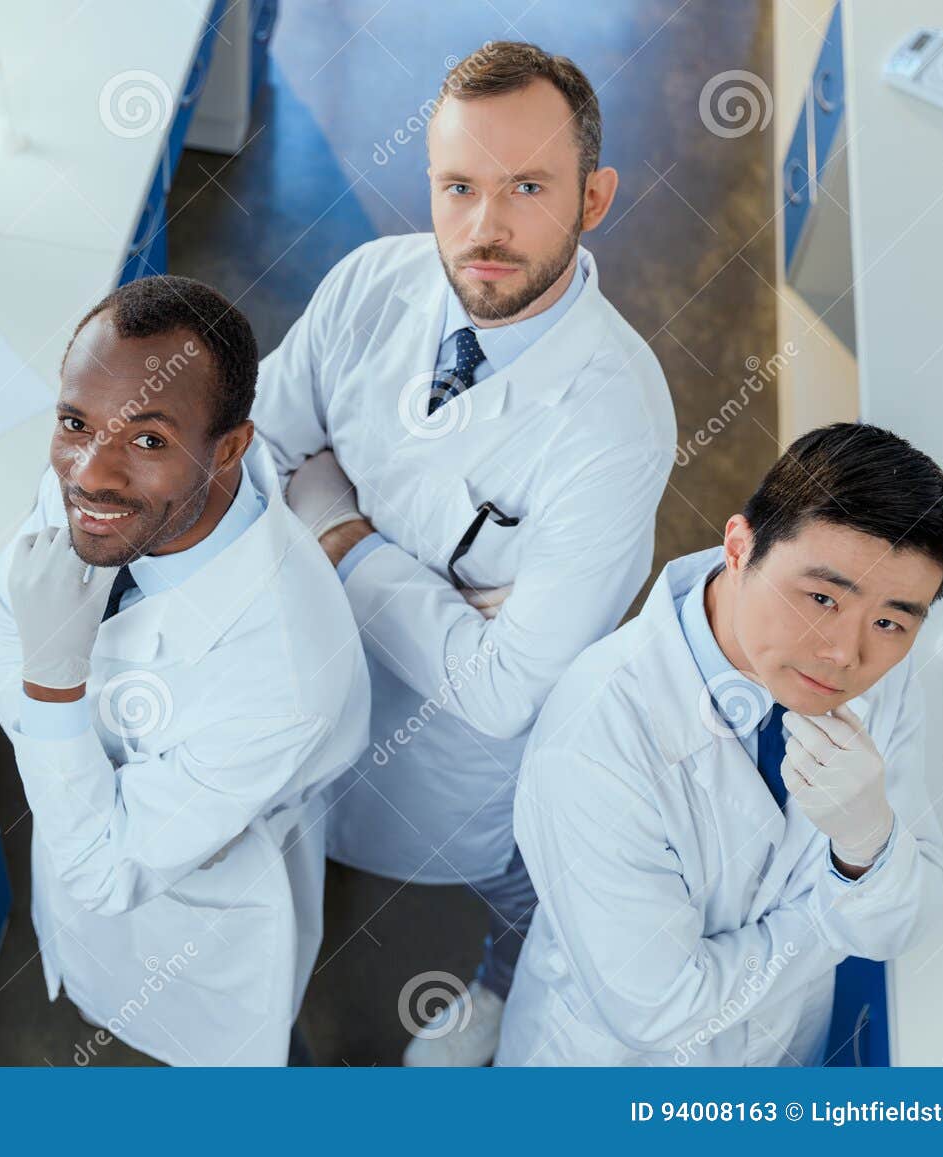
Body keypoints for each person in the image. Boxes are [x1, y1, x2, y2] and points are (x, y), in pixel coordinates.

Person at [250, 41, 675, 1064]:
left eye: (529, 186)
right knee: (281, 870)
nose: (485, 227)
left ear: (595, 196)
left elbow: (495, 693)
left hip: (463, 764)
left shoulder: (615, 422)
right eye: (458, 187)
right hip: (309, 690)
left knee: (530, 890)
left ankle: (492, 993)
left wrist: (338, 528)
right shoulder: (369, 287)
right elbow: (255, 443)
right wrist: (444, 596)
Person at [0, 275, 370, 1066]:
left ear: (230, 447)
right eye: (73, 422)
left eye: (149, 438)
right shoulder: (99, 490)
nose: (90, 473)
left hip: (205, 906)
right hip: (97, 854)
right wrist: (73, 758)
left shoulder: (284, 669)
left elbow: (107, 871)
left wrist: (54, 689)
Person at [498, 422, 943, 1066]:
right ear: (741, 548)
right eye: (822, 597)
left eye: (889, 621)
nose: (844, 653)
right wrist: (843, 902)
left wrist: (865, 846)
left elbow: (903, 920)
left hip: (784, 1043)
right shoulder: (593, 740)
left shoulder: (882, 667)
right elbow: (660, 1010)